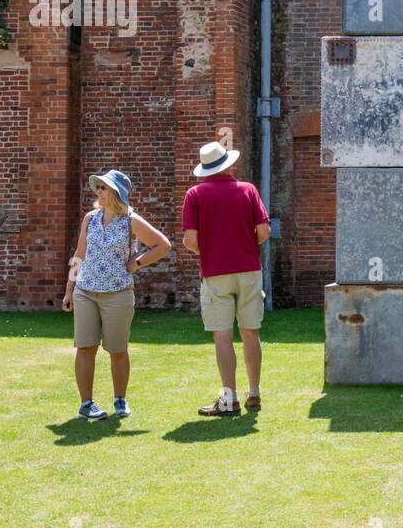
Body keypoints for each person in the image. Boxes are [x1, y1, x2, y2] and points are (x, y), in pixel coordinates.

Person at [62, 169, 172, 421]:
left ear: (116, 193)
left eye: (103, 187)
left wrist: (137, 263)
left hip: (118, 294)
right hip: (85, 292)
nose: (98, 191)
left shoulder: (131, 220)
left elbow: (162, 245)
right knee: (85, 347)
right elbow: (79, 255)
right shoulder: (89, 218)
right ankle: (86, 404)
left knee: (117, 349)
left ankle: (120, 400)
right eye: (98, 187)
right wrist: (69, 289)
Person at [182, 141, 271, 416]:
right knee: (250, 332)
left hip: (215, 271)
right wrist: (244, 245)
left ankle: (229, 398)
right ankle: (254, 392)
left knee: (223, 335)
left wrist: (210, 250)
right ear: (228, 164)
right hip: (249, 269)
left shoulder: (195, 194)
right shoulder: (248, 190)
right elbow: (264, 231)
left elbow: (190, 241)